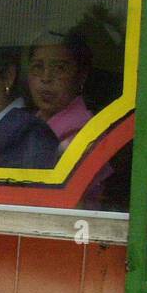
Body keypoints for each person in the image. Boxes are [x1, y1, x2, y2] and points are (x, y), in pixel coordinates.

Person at [27, 30, 109, 207]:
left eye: (60, 68)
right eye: (37, 67)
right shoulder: (28, 124)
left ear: (81, 76)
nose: (46, 78)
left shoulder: (86, 134)